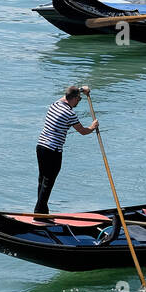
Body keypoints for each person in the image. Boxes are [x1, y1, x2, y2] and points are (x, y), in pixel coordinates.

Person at [35, 85, 99, 215]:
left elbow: (67, 95)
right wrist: (93, 127)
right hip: (53, 150)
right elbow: (83, 131)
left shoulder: (55, 104)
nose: (78, 102)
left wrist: (81, 89)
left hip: (41, 146)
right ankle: (39, 213)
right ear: (74, 98)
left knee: (42, 180)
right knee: (48, 182)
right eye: (79, 99)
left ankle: (42, 210)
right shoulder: (70, 114)